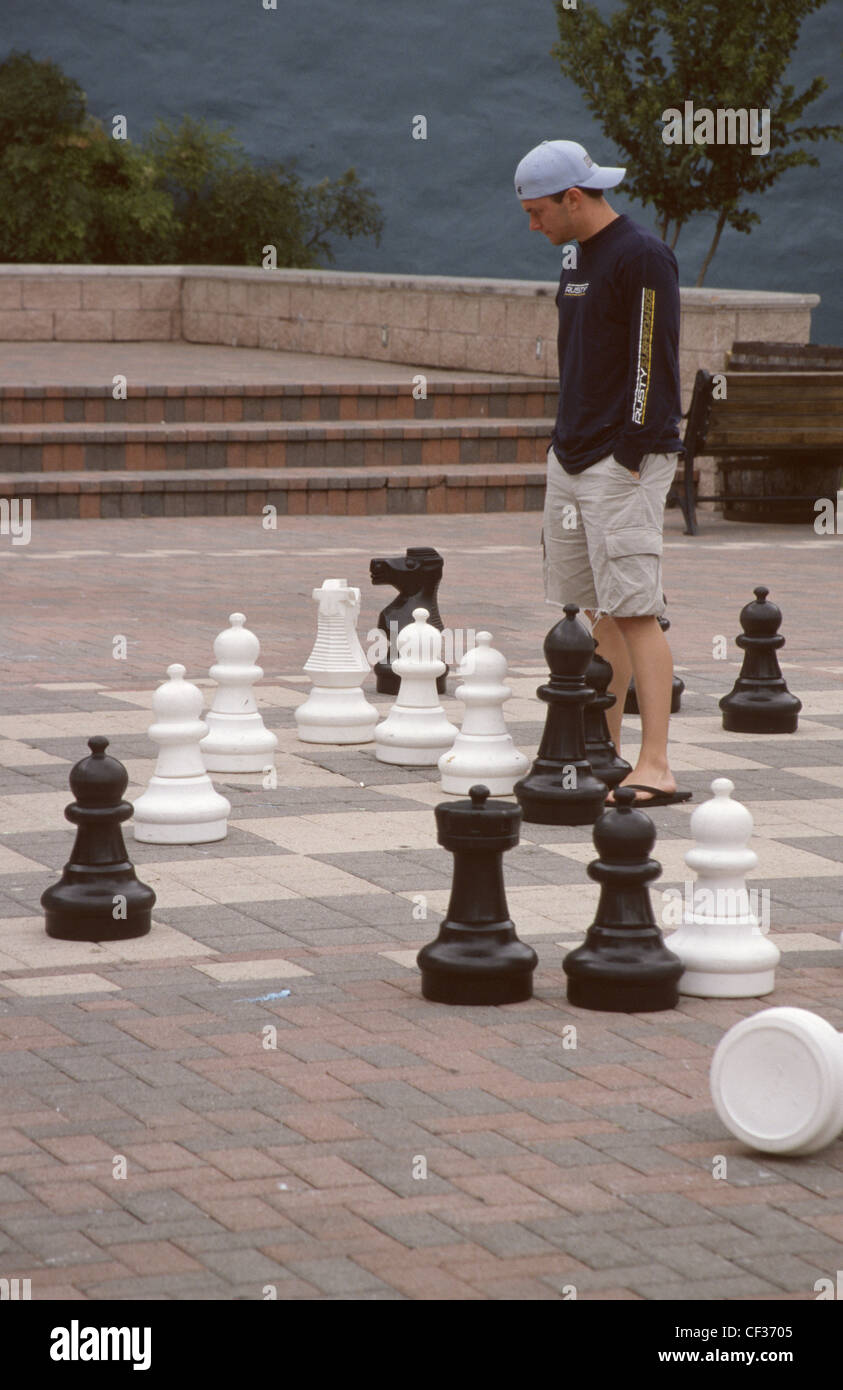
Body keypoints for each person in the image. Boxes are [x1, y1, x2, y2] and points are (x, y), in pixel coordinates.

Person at [514, 138, 690, 807]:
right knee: (600, 616)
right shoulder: (578, 258)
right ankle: (604, 754)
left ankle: (656, 766)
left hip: (623, 460)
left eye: (538, 213)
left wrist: (628, 450)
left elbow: (653, 358)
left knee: (636, 611)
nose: (533, 226)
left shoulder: (641, 254)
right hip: (572, 455)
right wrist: (563, 446)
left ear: (574, 198)